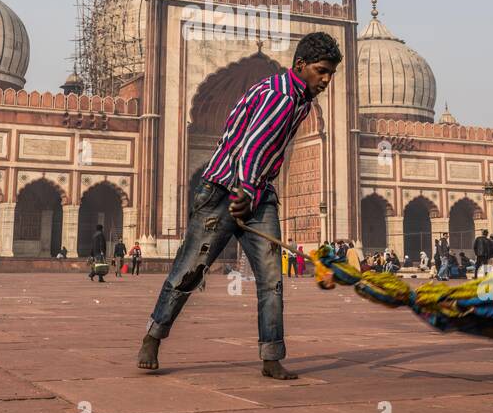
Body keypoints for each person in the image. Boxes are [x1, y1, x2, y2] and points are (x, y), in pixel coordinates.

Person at [139, 31, 342, 380]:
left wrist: (251, 191)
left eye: (330, 74)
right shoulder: (281, 96)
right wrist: (243, 191)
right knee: (190, 269)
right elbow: (251, 147)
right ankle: (153, 336)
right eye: (321, 71)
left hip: (258, 194)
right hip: (223, 191)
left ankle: (271, 356)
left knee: (271, 277)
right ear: (301, 65)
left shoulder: (300, 98)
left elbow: (258, 147)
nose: (326, 80)